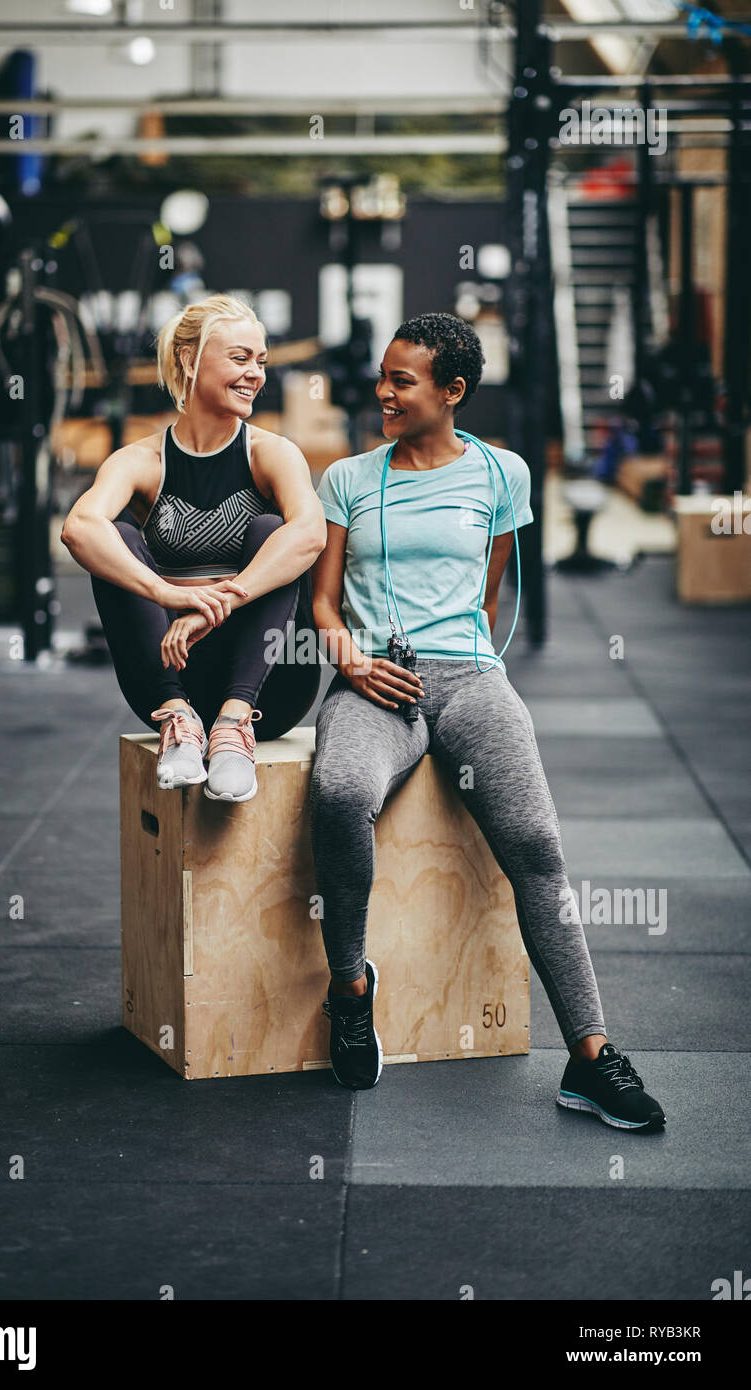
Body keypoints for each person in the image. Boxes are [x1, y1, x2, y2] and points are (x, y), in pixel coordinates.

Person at [309, 311, 665, 1132]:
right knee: (337, 792)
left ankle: (589, 1057)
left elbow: (487, 593)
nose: (384, 392)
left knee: (537, 844)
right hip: (374, 681)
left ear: (452, 391)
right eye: (384, 375)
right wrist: (352, 661)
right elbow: (322, 601)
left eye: (403, 380)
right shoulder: (351, 479)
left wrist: (464, 674)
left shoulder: (503, 474)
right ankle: (352, 989)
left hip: (470, 679)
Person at [61, 293, 325, 801]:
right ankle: (182, 724)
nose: (256, 374)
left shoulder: (272, 454)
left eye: (262, 361)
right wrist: (167, 594)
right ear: (189, 359)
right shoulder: (141, 460)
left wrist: (217, 604)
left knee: (276, 530)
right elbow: (78, 529)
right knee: (114, 537)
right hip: (170, 680)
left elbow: (310, 533)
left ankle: (232, 729)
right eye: (240, 357)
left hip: (269, 687)